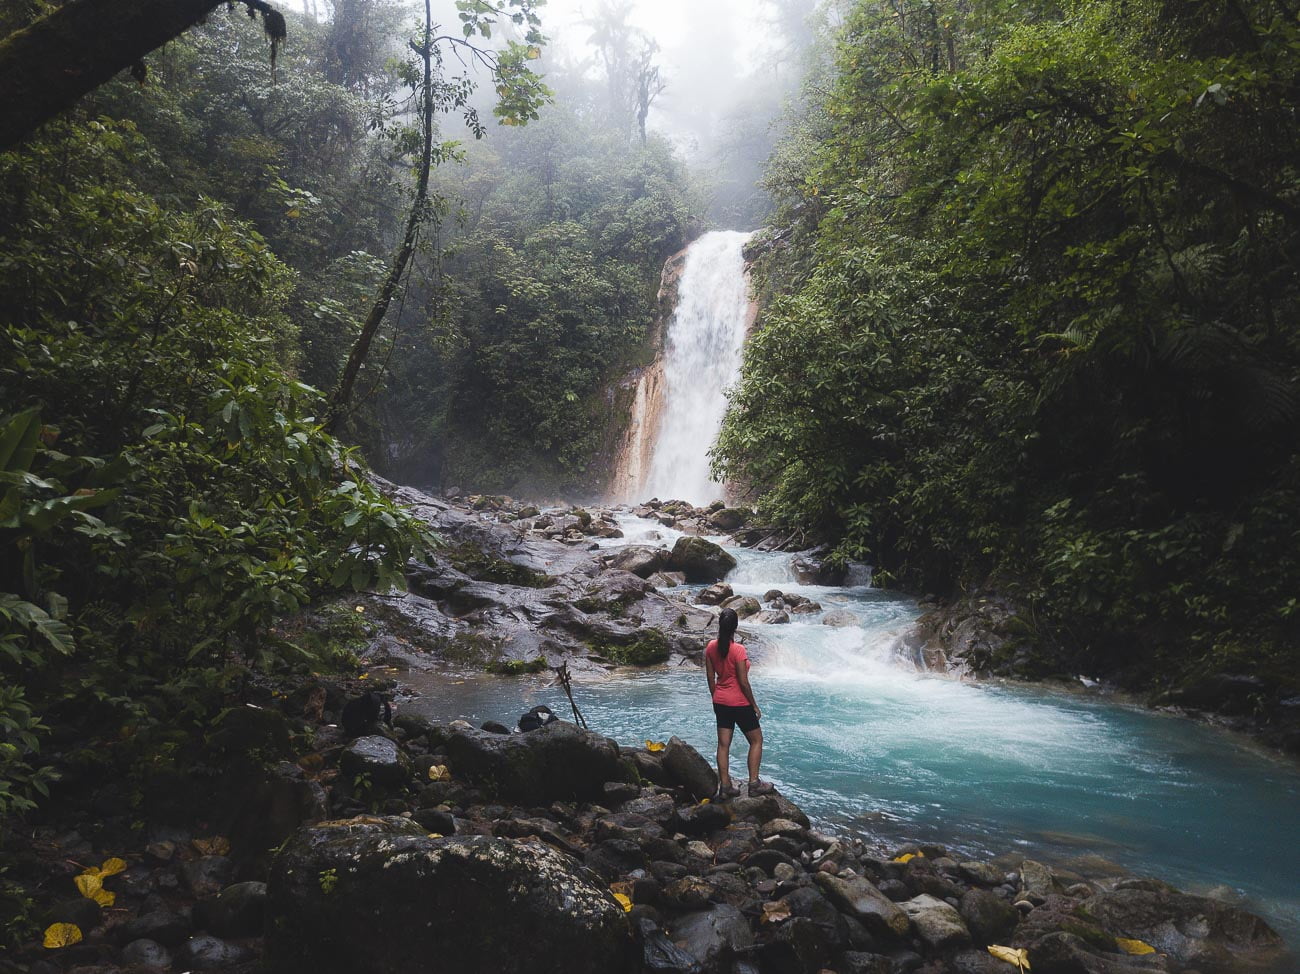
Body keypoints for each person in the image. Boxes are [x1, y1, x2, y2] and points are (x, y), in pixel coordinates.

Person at [704, 607, 774, 798]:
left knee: (723, 745)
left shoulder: (711, 647)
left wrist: (716, 698)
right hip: (740, 703)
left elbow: (711, 678)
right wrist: (754, 705)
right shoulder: (739, 650)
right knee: (756, 740)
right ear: (735, 627)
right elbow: (743, 682)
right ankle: (753, 783)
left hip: (721, 701)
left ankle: (725, 786)